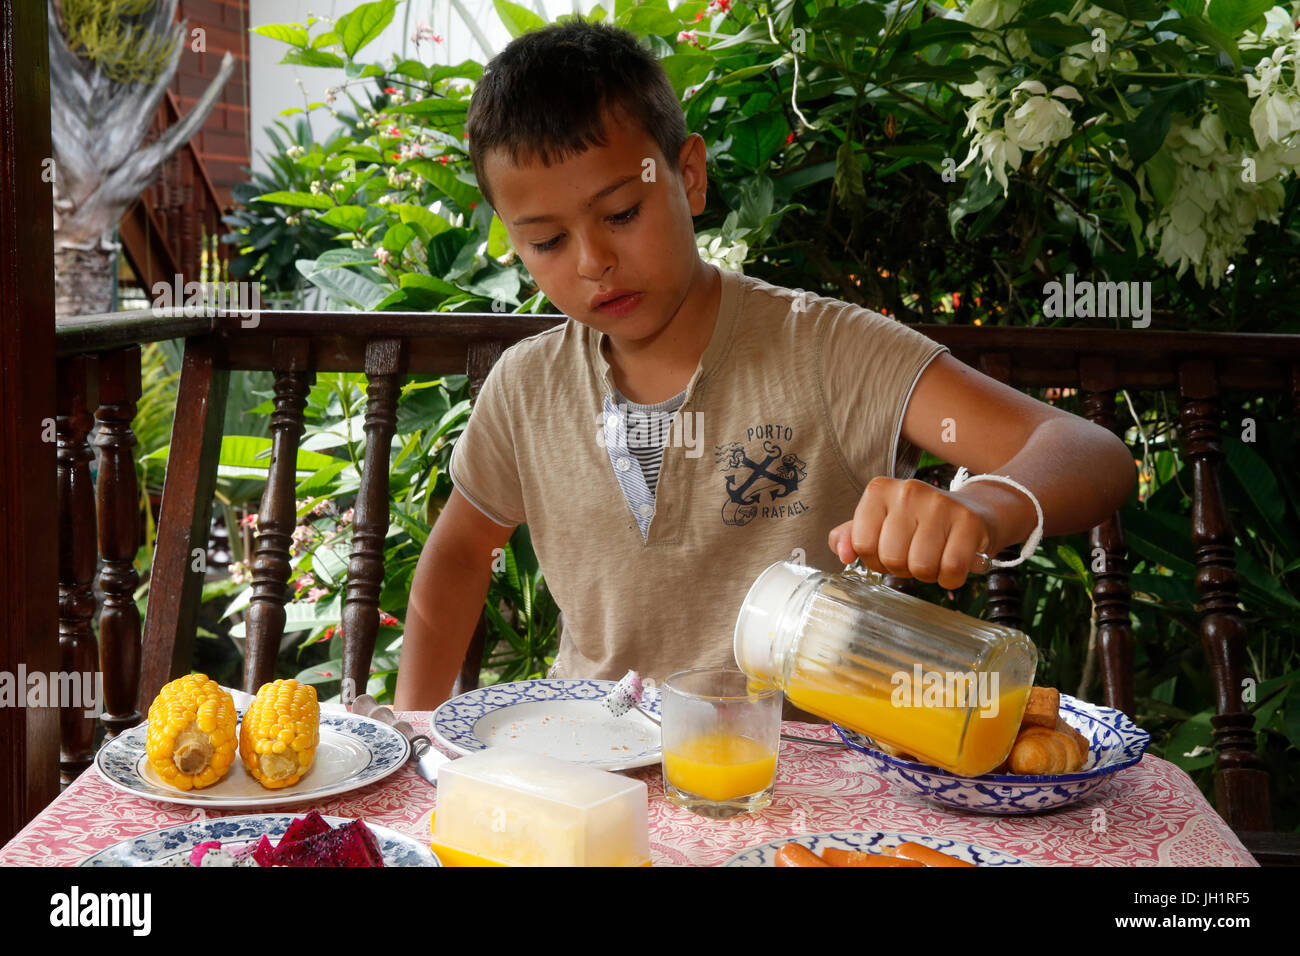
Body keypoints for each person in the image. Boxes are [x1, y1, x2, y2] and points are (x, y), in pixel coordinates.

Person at [392, 20, 1135, 711]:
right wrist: (416, 729)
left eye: (621, 214)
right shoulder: (527, 388)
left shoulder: (825, 351)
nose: (594, 263)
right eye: (547, 242)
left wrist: (983, 509)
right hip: (597, 776)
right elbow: (459, 555)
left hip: (803, 783)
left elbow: (1091, 455)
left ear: (688, 176)